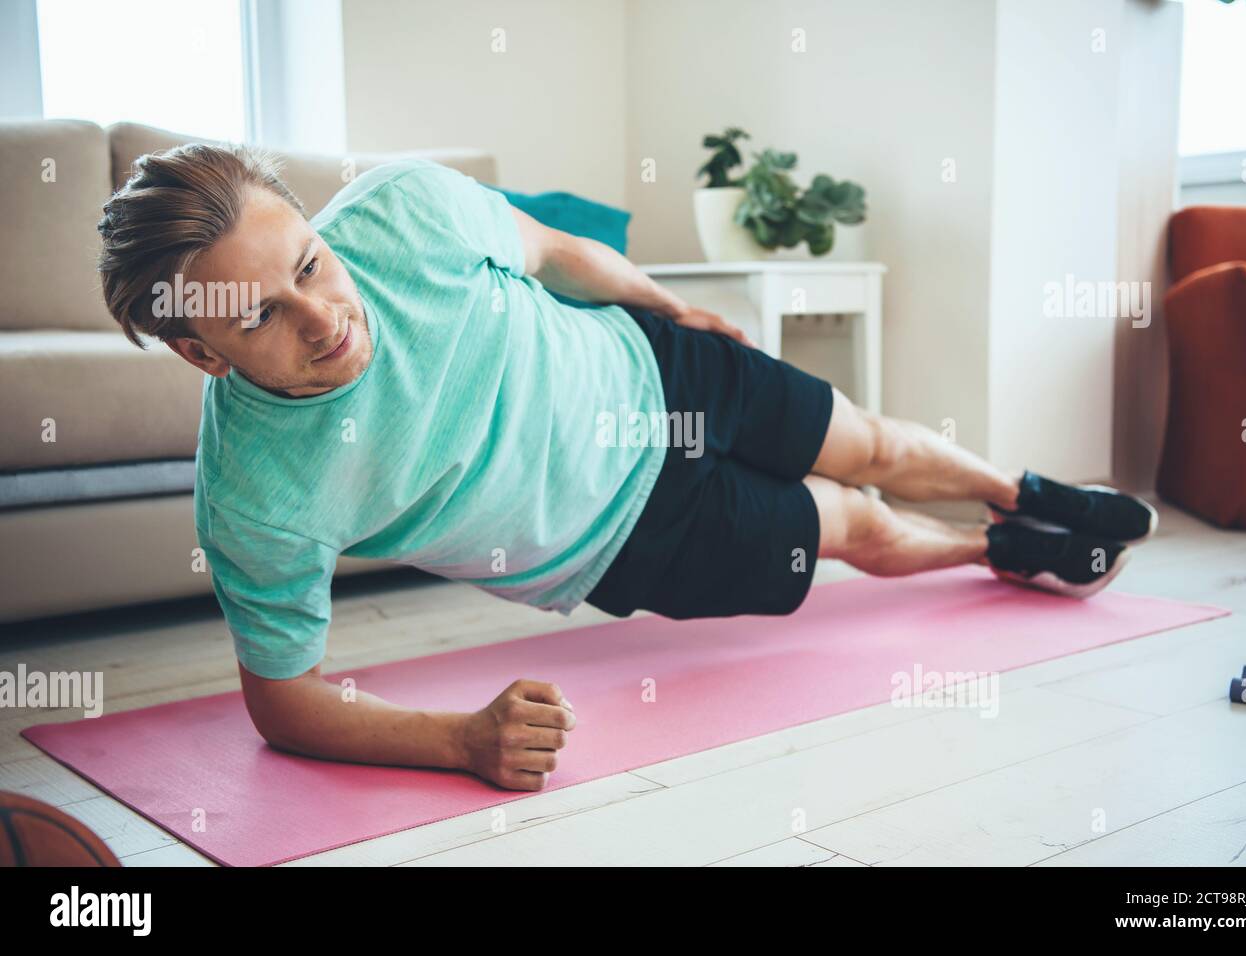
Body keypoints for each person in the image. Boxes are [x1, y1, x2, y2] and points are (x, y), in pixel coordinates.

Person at [95, 144, 1157, 791]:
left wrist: (660, 303)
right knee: (850, 522)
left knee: (873, 440)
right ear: (201, 351)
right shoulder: (252, 498)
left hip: (653, 368)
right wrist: (460, 738)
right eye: (263, 317)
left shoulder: (402, 212)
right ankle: (999, 548)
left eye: (309, 265)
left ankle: (1025, 492)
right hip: (625, 539)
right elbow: (283, 702)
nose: (321, 317)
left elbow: (552, 249)